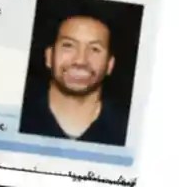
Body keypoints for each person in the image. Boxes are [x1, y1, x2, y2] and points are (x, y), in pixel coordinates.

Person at [18, 11, 126, 145]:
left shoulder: (127, 131)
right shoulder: (15, 116)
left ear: (110, 65)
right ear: (49, 57)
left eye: (95, 49)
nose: (80, 60)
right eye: (68, 46)